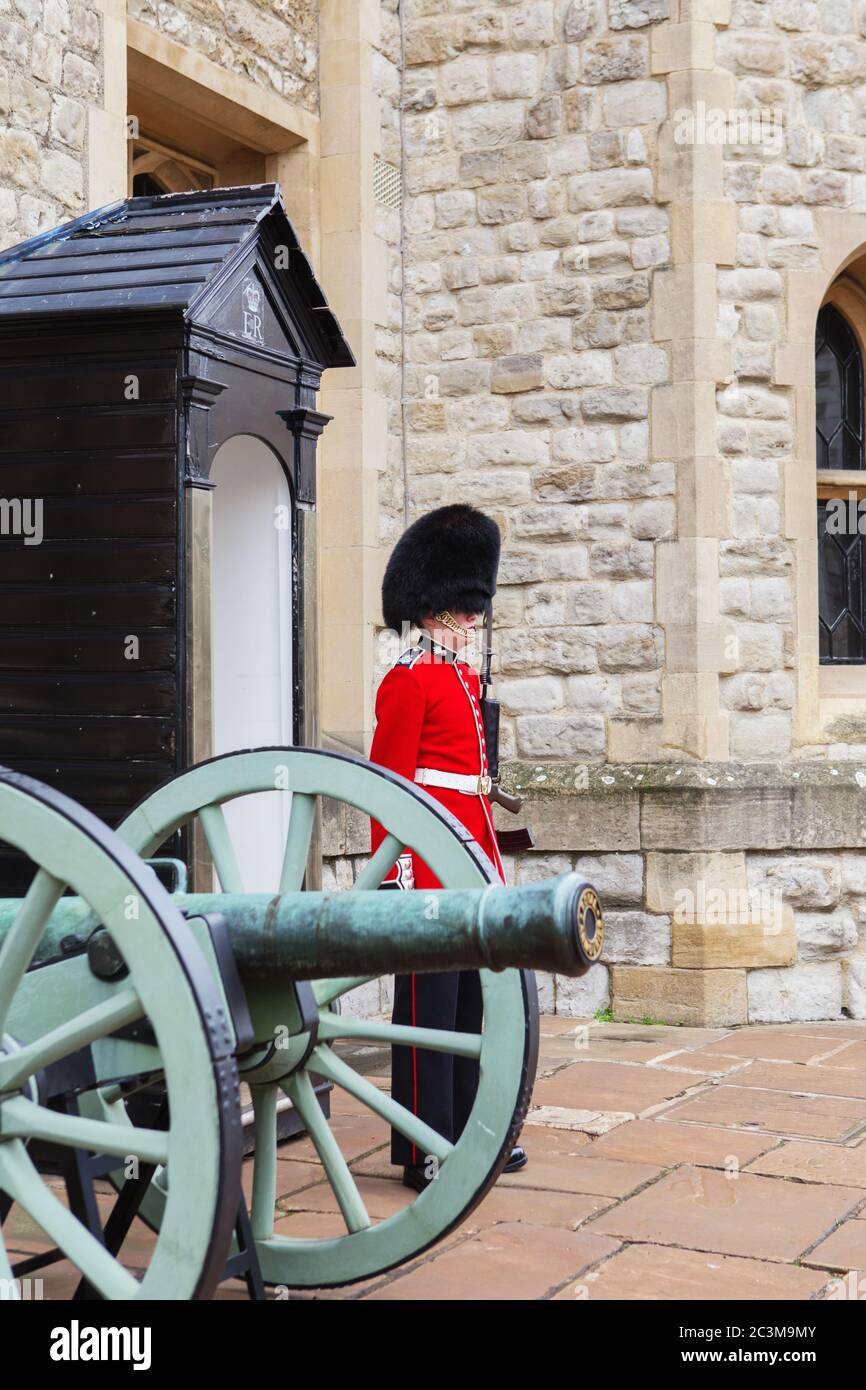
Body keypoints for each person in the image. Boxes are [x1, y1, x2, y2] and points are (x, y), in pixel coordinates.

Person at [368, 503, 528, 1192]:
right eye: (463, 610)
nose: (473, 620)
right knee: (425, 1017)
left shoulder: (461, 679)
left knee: (469, 1012)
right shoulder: (407, 681)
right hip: (429, 872)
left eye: (475, 609)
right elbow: (389, 789)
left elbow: (470, 783)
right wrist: (398, 874)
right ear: (432, 610)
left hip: (471, 859)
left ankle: (467, 1129)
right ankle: (422, 1145)